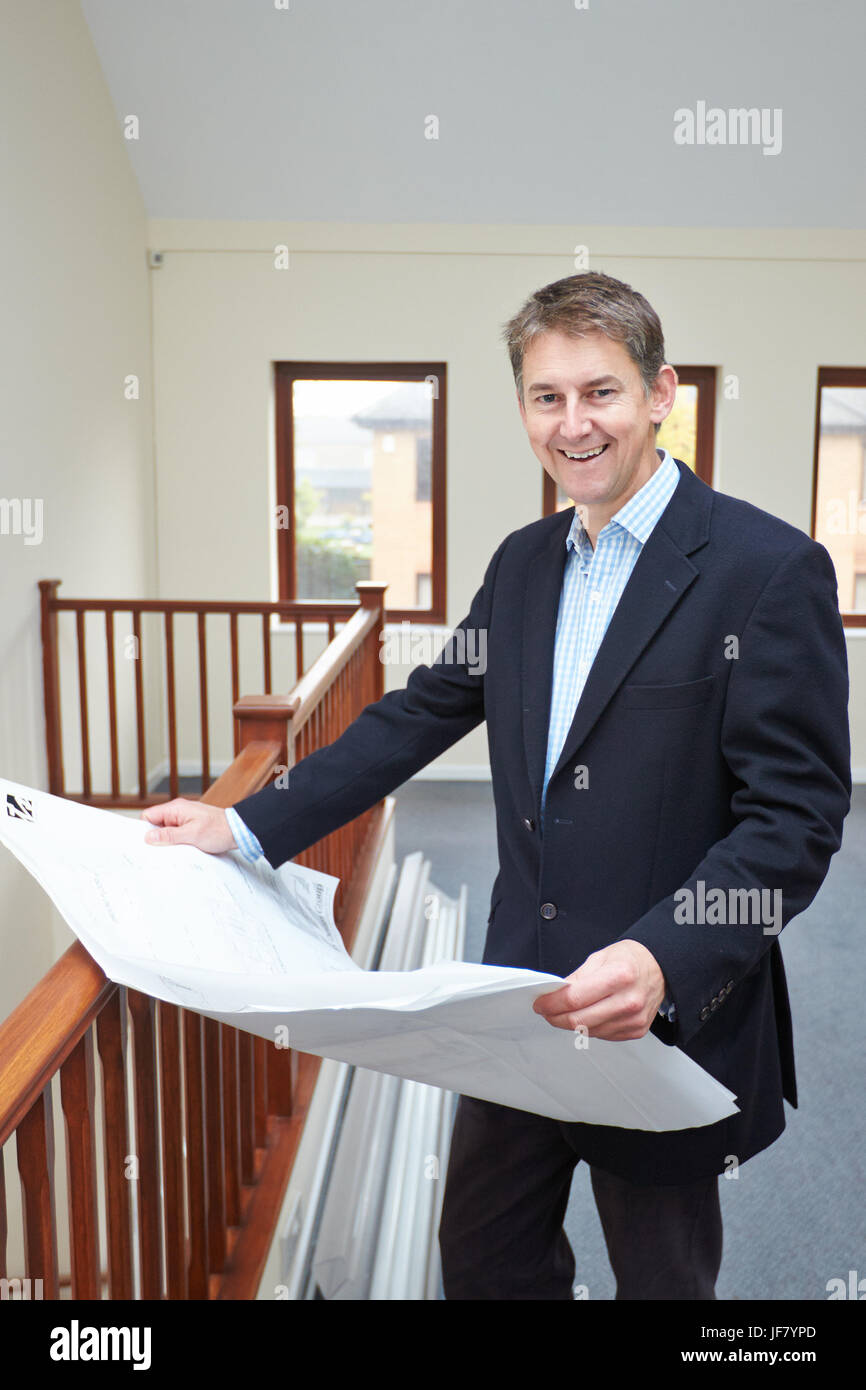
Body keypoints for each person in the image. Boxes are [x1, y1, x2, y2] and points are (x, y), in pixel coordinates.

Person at [143, 272, 851, 1300]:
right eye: (545, 396)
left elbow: (792, 821)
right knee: (481, 1262)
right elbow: (420, 711)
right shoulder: (523, 564)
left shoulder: (765, 568)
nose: (572, 425)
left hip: (661, 1015)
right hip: (514, 1001)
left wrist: (661, 956)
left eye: (599, 392)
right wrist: (247, 823)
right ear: (522, 407)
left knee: (663, 1283)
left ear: (658, 394)